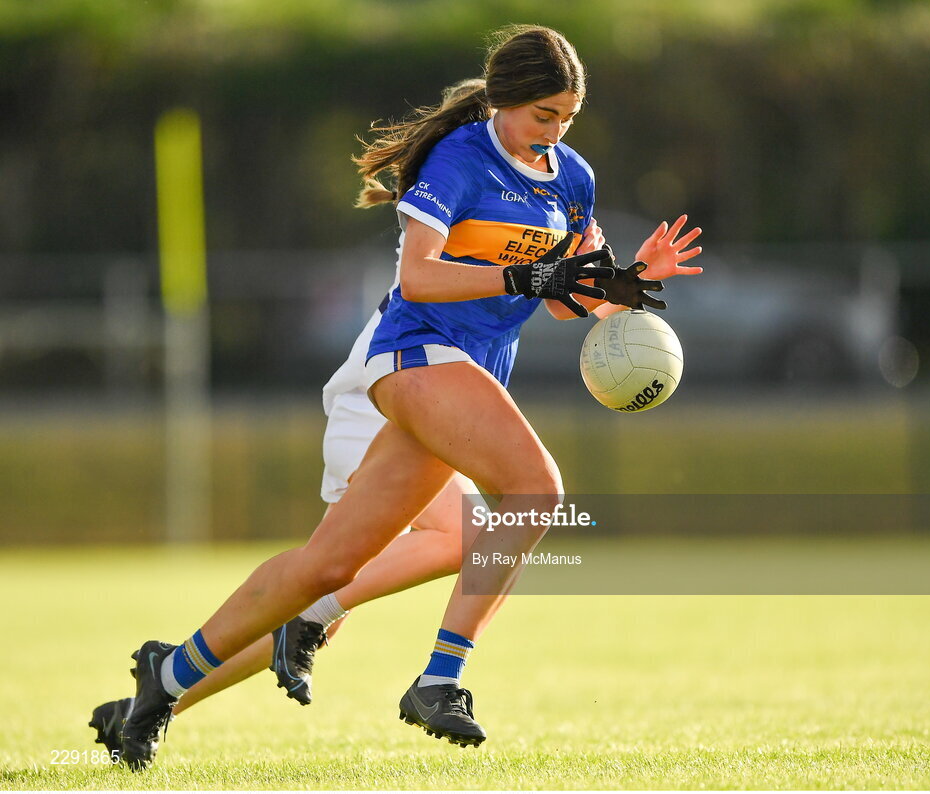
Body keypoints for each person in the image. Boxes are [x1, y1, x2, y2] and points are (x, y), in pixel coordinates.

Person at [102, 24, 702, 770]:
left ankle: (166, 678)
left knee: (326, 570)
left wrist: (623, 284)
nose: (553, 131)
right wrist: (527, 276)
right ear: (504, 100)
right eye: (543, 115)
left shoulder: (572, 177)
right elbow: (420, 277)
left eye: (567, 118)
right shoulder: (460, 160)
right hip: (414, 352)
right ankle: (442, 678)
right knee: (535, 487)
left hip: (466, 373)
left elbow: (558, 301)